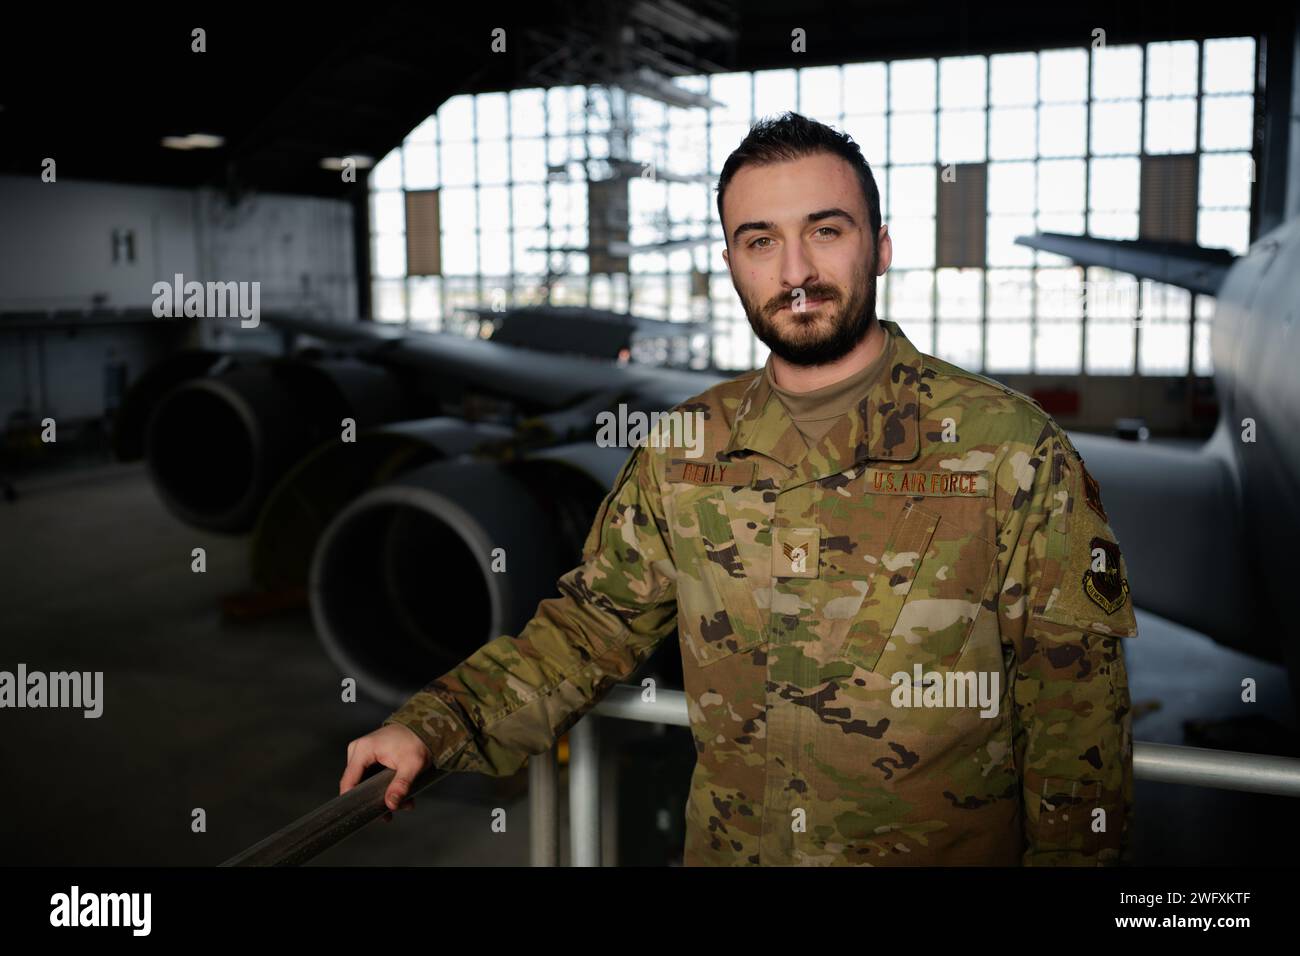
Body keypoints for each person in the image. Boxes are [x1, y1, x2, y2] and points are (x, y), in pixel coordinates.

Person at [340, 111, 1137, 866]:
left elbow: (1075, 721)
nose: (796, 271)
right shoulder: (684, 449)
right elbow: (590, 630)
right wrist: (437, 725)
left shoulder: (1008, 449)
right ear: (731, 263)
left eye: (826, 231)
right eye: (761, 241)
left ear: (881, 246)